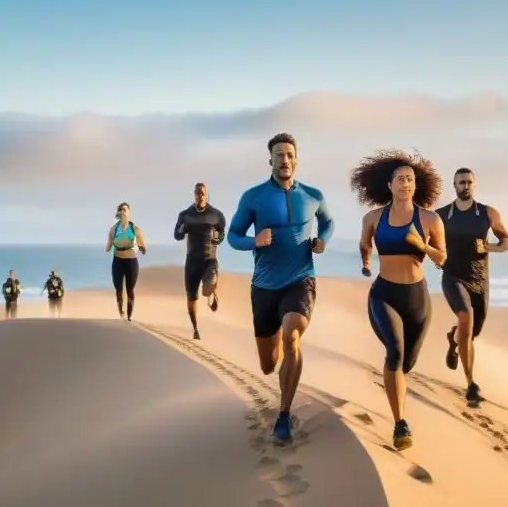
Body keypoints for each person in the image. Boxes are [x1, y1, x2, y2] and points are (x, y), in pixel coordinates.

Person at [227, 132, 334, 446]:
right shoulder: (253, 197)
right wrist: (254, 241)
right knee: (268, 364)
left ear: (296, 159)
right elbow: (232, 235)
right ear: (270, 160)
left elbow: (327, 222)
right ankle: (278, 375)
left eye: (289, 154)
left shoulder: (313, 195)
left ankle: (284, 415)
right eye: (279, 155)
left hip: (301, 279)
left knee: (292, 335)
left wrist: (322, 240)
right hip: (264, 286)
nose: (284, 160)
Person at [352, 150, 446, 450]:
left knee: (406, 363)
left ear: (416, 185)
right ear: (389, 186)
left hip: (417, 299)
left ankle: (393, 382)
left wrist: (422, 245)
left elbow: (442, 258)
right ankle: (400, 424)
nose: (406, 183)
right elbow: (365, 244)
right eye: (401, 179)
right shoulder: (373, 218)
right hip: (384, 295)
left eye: (410, 179)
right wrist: (365, 262)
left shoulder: (430, 219)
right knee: (394, 352)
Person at [434, 168, 508, 407]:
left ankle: (454, 338)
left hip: (480, 281)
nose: (465, 186)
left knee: (472, 333)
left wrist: (489, 248)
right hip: (453, 277)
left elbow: (506, 242)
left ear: (474, 185)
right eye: (461, 182)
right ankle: (471, 385)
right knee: (466, 316)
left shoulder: (488, 213)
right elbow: (427, 242)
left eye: (469, 182)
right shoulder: (441, 215)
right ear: (454, 185)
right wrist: (436, 256)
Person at [174, 182, 227, 340]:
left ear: (206, 195)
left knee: (208, 286)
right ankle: (195, 328)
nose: (200, 196)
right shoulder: (185, 215)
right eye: (198, 193)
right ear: (194, 195)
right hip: (192, 262)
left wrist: (218, 239)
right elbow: (177, 236)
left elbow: (222, 233)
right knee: (191, 297)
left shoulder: (216, 214)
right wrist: (181, 229)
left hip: (209, 260)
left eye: (202, 193)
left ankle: (211, 291)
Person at [105, 202, 146, 321]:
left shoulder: (134, 229)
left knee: (130, 290)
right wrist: (108, 247)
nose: (123, 212)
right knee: (118, 289)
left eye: (125, 210)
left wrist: (142, 248)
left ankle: (129, 317)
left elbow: (142, 244)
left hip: (131, 262)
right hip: (117, 261)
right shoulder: (114, 229)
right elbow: (108, 247)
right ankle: (121, 312)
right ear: (118, 213)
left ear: (129, 212)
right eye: (121, 210)